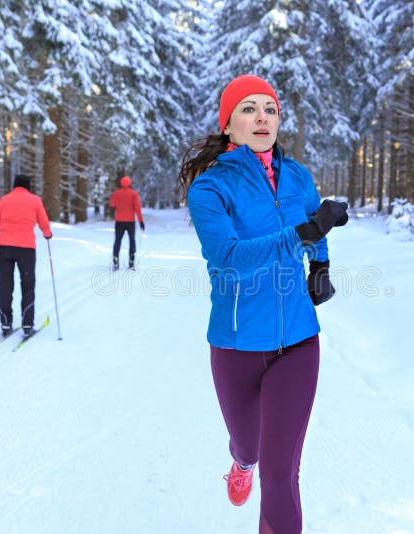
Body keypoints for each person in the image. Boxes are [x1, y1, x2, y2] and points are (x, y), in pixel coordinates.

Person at [177, 75, 348, 534]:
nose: (262, 118)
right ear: (228, 124)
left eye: (270, 109)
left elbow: (313, 219)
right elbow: (228, 257)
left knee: (280, 474)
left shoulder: (296, 176)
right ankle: (241, 462)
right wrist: (303, 235)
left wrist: (320, 265)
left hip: (299, 340)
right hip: (237, 343)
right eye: (249, 108)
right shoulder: (210, 189)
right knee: (249, 446)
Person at [0, 174, 52, 338]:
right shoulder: (35, 200)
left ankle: (5, 323)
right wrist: (47, 234)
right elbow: (43, 221)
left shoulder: (4, 199)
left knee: (5, 285)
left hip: (3, 247)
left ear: (14, 185)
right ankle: (27, 324)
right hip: (25, 249)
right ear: (28, 186)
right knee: (27, 286)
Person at [108, 175, 145, 270]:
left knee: (117, 241)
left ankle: (115, 261)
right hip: (130, 222)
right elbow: (137, 208)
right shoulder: (134, 194)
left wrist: (116, 198)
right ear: (129, 183)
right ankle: (131, 262)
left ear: (121, 183)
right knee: (132, 241)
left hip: (119, 221)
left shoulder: (116, 193)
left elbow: (111, 203)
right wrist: (141, 221)